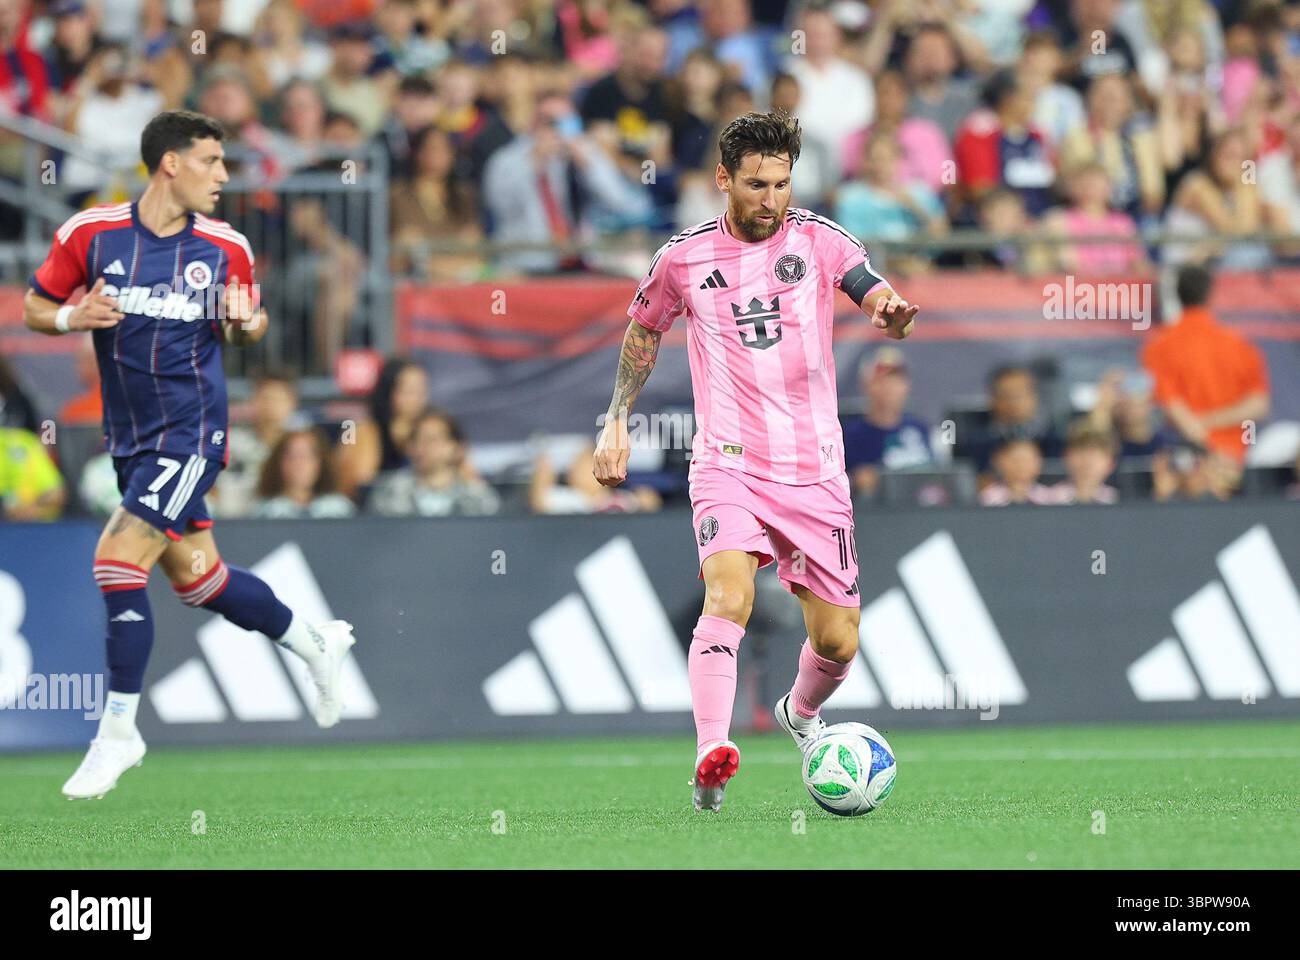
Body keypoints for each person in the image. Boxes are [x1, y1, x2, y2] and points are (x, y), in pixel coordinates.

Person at [23, 110, 357, 801]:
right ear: (170, 163)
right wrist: (68, 318)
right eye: (211, 161)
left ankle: (118, 730)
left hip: (191, 431)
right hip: (130, 438)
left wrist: (245, 324)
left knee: (115, 561)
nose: (224, 175)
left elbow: (249, 322)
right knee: (200, 580)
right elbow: (34, 305)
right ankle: (313, 643)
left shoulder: (226, 245)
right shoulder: (91, 234)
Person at [591, 111, 919, 813]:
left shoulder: (819, 240)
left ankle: (800, 714)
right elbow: (643, 333)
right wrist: (615, 420)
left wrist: (888, 308)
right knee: (728, 599)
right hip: (728, 463)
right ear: (723, 180)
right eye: (757, 184)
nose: (772, 197)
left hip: (817, 471)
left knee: (838, 641)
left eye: (782, 182)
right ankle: (712, 750)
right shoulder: (682, 259)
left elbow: (868, 284)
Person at [1141, 264, 1270, 467]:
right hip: (1235, 456)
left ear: (1177, 295)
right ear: (1210, 295)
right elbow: (1257, 404)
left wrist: (1207, 441)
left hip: (1192, 459)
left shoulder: (1159, 345)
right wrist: (1222, 451)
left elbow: (1172, 406)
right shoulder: (1239, 343)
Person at [368, 409, 500, 517]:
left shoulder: (478, 498)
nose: (423, 446)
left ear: (458, 448)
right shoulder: (389, 492)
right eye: (417, 439)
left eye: (433, 439)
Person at [842, 346, 933, 499]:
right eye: (883, 380)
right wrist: (856, 482)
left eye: (898, 380)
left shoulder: (919, 429)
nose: (891, 387)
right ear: (866, 385)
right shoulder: (850, 436)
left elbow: (937, 476)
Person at [252, 428, 356, 518]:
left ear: (321, 463)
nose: (300, 463)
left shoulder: (339, 508)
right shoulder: (264, 511)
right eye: (291, 456)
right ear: (278, 463)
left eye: (308, 456)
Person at [1051, 421, 1120, 504]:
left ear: (1111, 463)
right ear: (1066, 457)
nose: (1087, 462)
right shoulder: (1048, 500)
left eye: (1096, 455)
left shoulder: (1120, 500)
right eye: (1080, 452)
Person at [978, 438, 1056, 505]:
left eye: (1027, 460)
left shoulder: (1050, 498)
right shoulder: (987, 499)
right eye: (1015, 460)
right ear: (999, 461)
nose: (1021, 465)